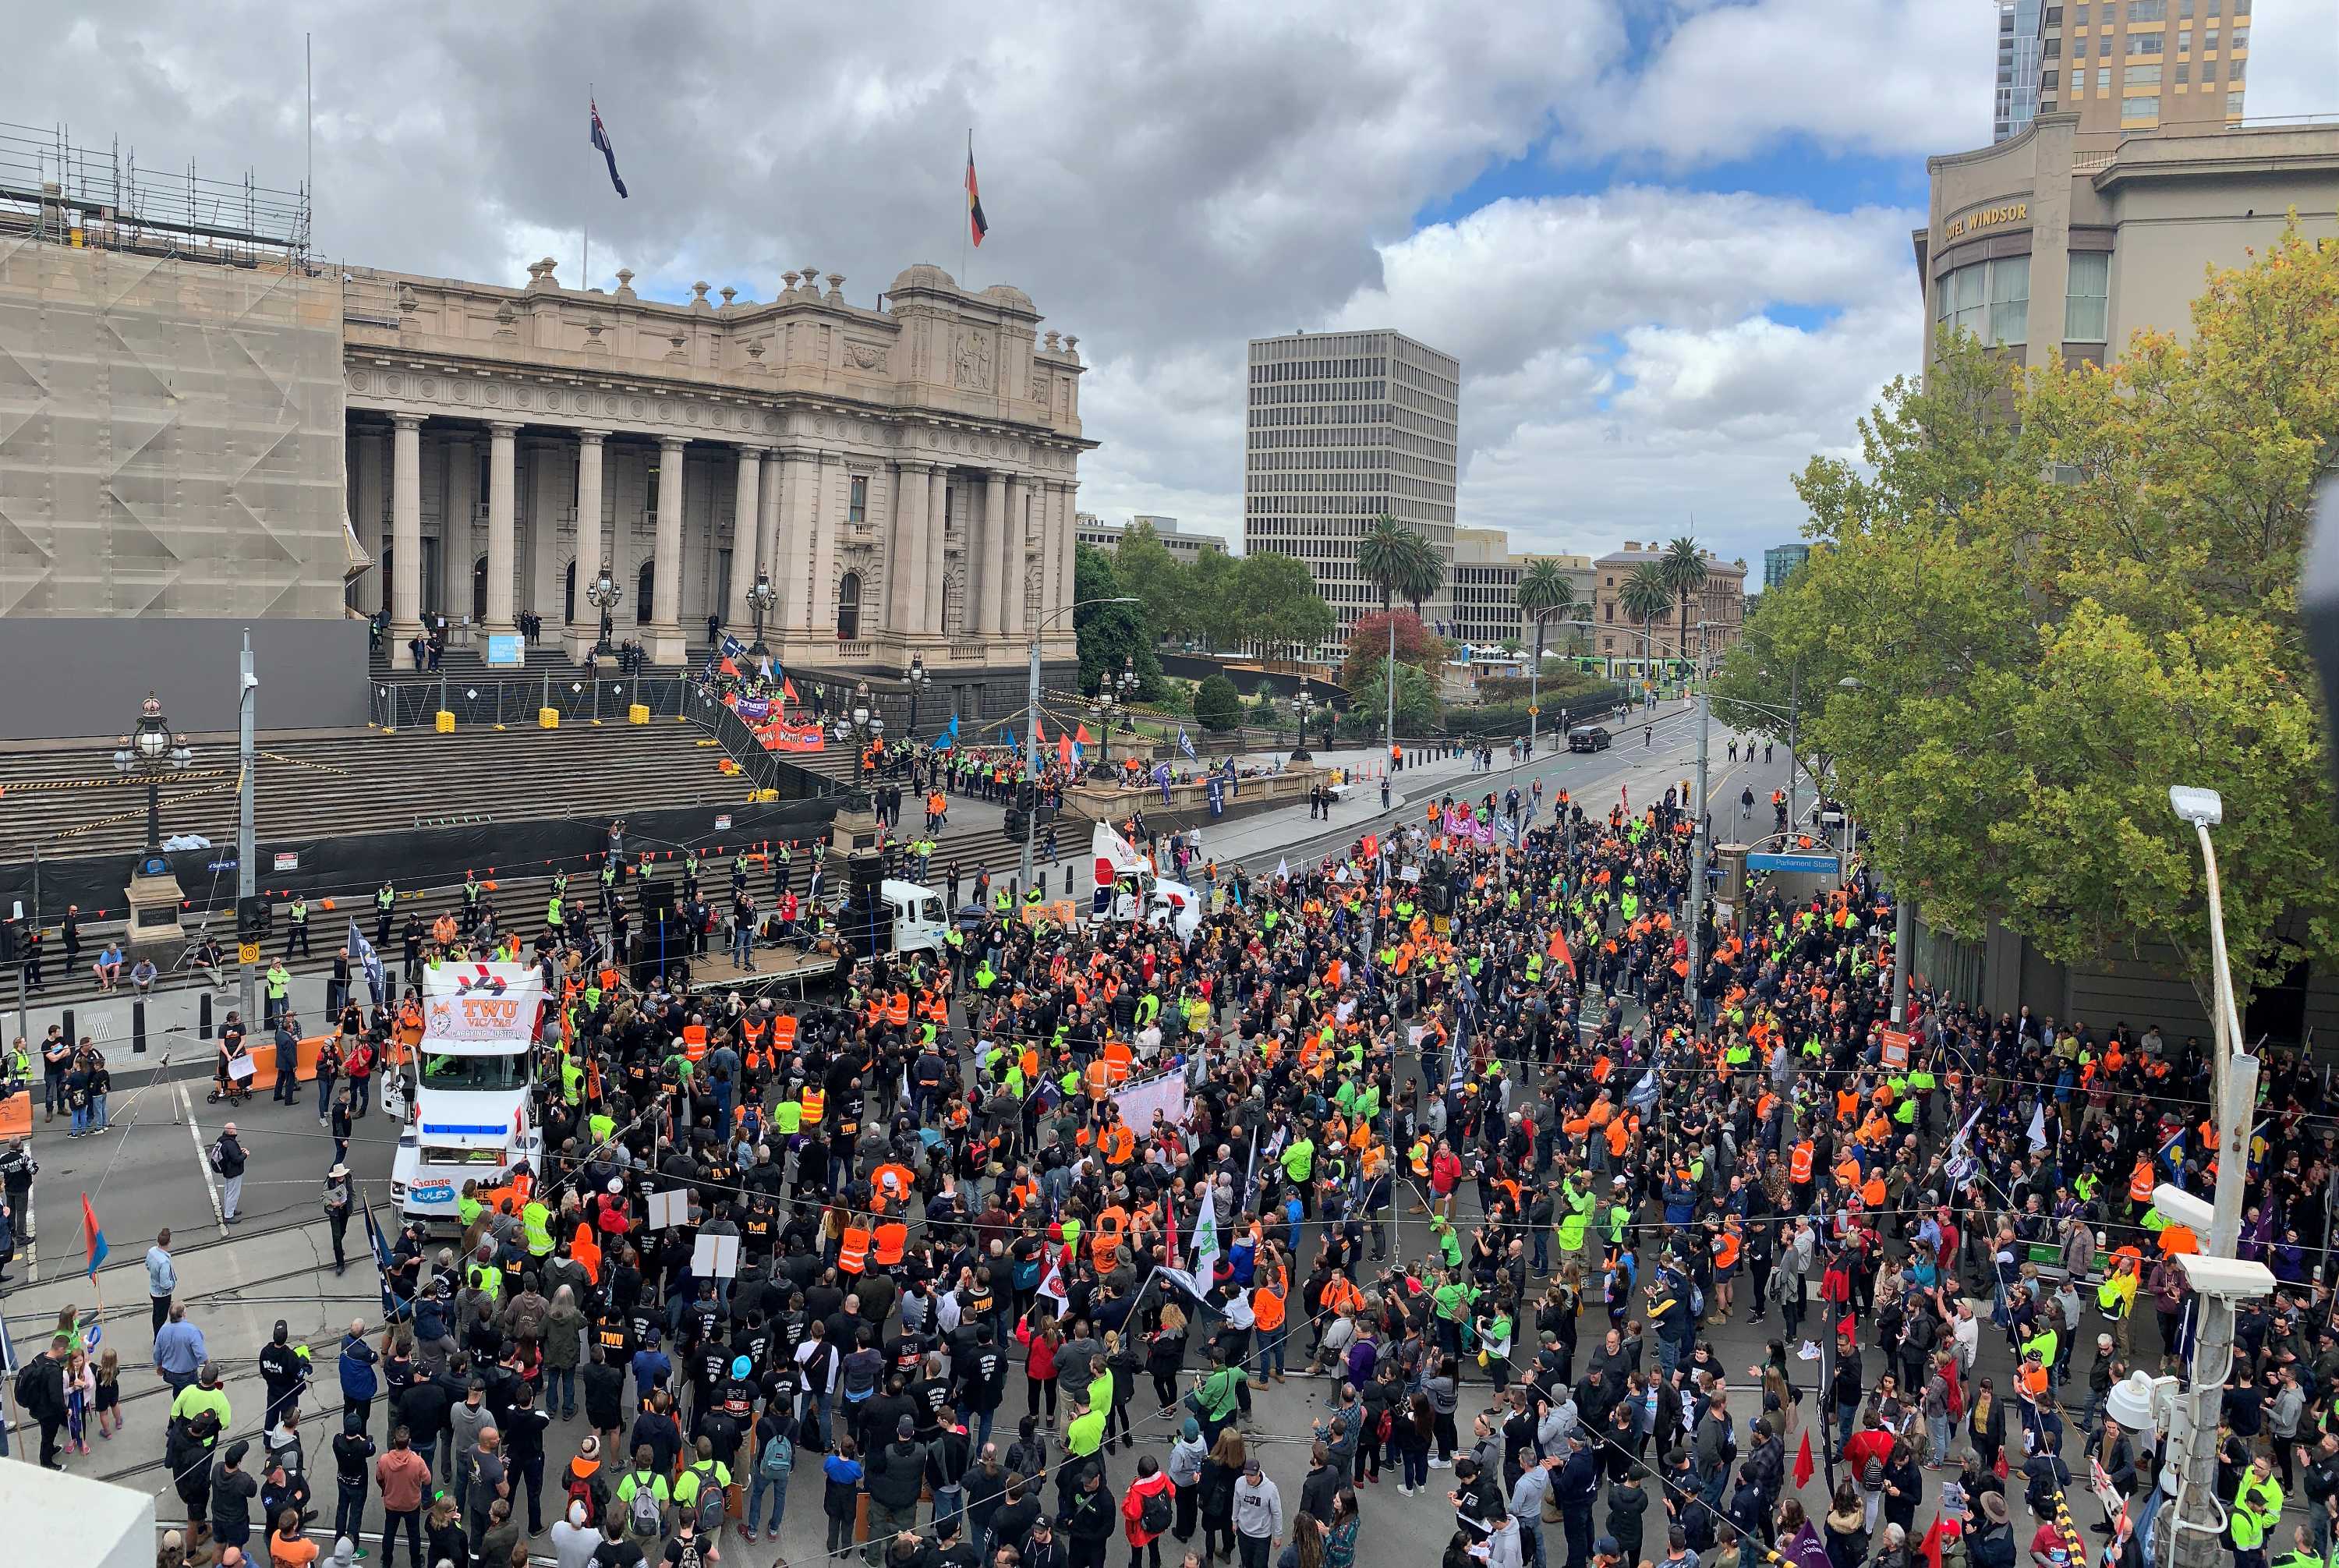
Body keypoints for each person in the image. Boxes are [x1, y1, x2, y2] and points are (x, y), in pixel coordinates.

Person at [1233, 1456, 1283, 1568]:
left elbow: (1277, 1513)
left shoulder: (1270, 1489)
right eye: (1247, 1475)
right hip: (1244, 1532)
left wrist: (1277, 1535)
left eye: (1252, 1475)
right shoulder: (1239, 1483)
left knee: (1260, 1565)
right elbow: (1236, 1502)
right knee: (1246, 1562)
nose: (1249, 1478)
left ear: (1258, 1473)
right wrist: (1234, 1521)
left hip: (1262, 1536)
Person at [211, 1123, 247, 1223]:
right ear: (231, 1132)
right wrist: (245, 1154)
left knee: (228, 1192)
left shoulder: (223, 1140)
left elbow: (230, 1154)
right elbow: (236, 1159)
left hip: (227, 1171)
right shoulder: (230, 1143)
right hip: (233, 1171)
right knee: (233, 1193)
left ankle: (230, 1210)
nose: (236, 1130)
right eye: (235, 1129)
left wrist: (239, 1151)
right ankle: (229, 1216)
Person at [148, 1229, 178, 1336]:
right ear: (169, 1242)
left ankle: (156, 1334)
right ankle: (159, 1338)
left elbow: (147, 1265)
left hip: (153, 1290)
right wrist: (172, 1284)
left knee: (156, 1314)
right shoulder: (164, 1262)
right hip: (162, 1295)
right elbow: (164, 1283)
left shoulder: (152, 1251)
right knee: (161, 1318)